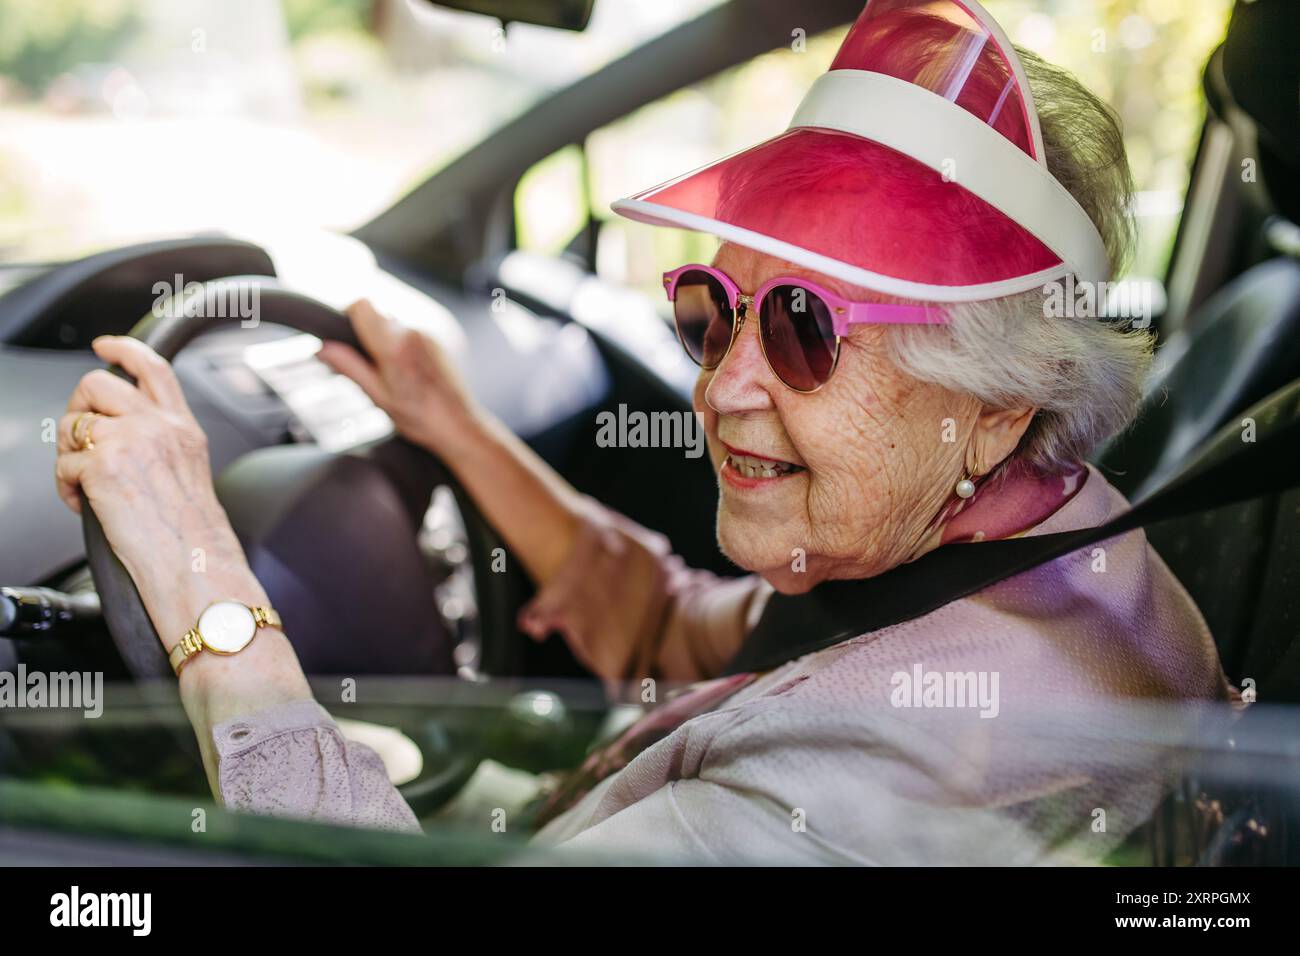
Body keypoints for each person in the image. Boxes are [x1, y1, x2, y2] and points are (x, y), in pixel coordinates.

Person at [54, 0, 1227, 863]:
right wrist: (459, 428)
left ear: (995, 410)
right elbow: (686, 632)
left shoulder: (900, 775)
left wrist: (201, 570)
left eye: (807, 330)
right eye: (713, 314)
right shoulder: (1013, 533)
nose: (722, 389)